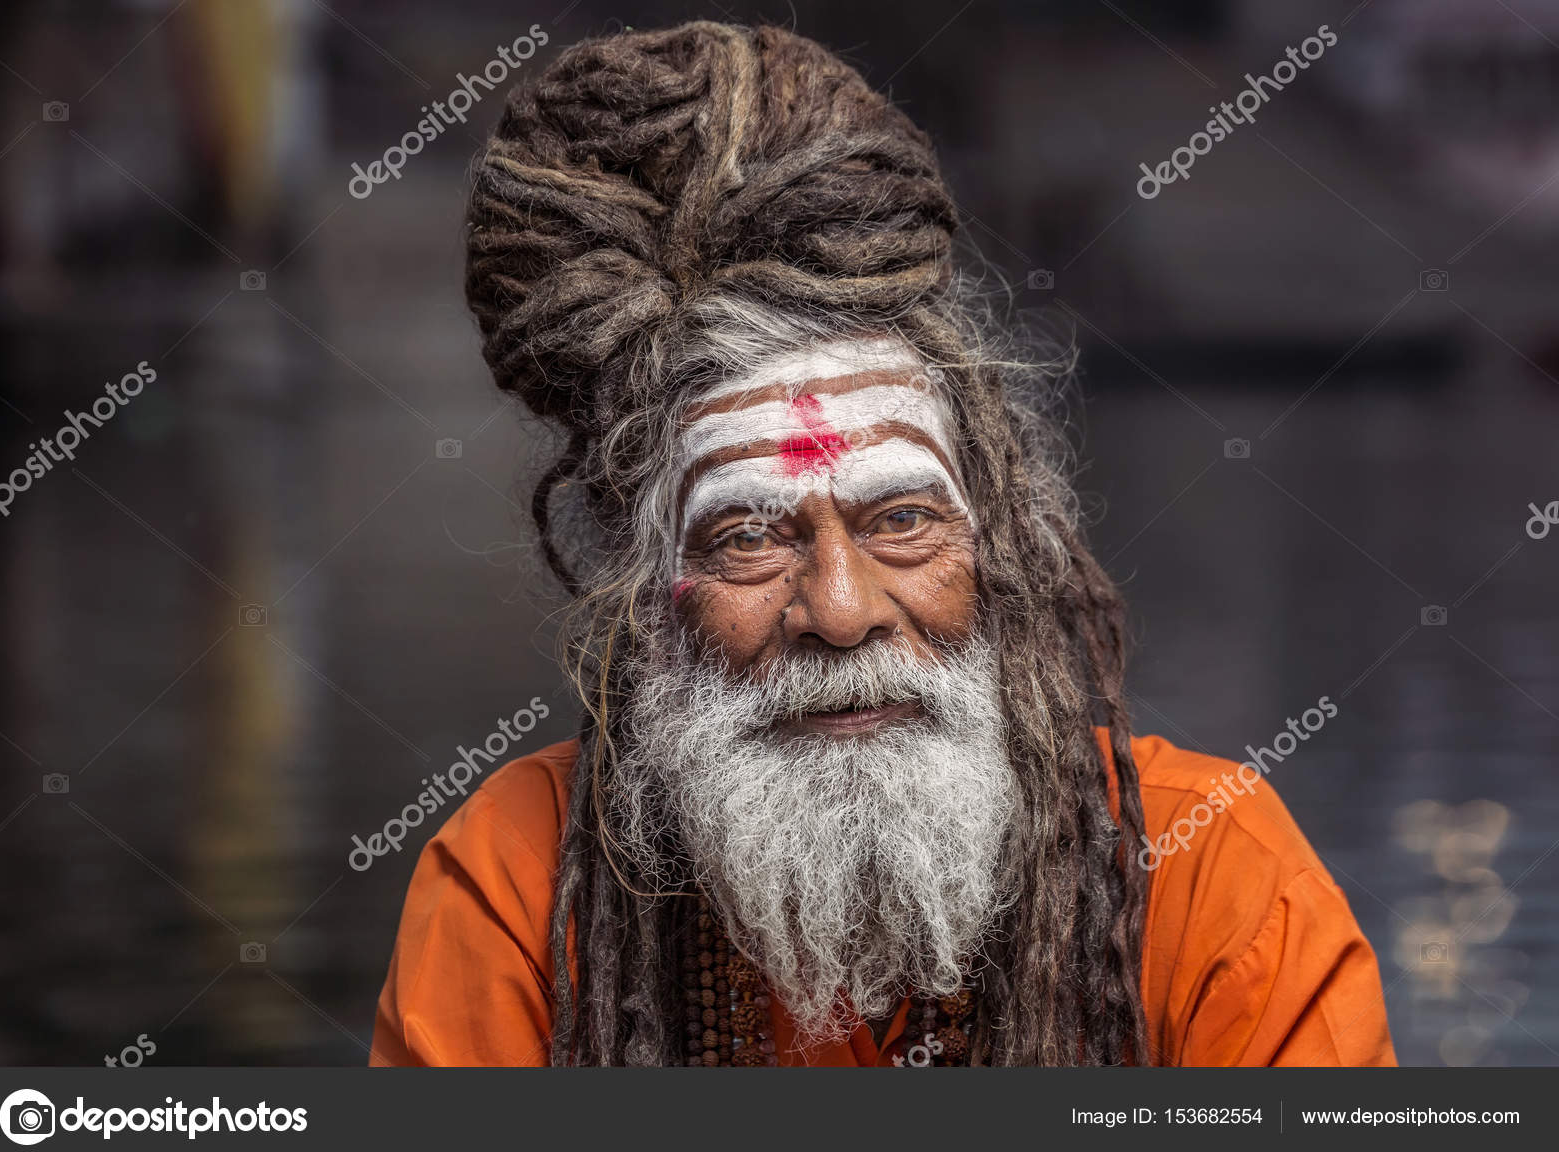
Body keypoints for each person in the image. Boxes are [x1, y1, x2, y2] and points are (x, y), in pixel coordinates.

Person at [369, 20, 1395, 1067]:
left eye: (901, 520)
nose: (845, 611)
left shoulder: (1210, 873)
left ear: (1000, 547)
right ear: (647, 592)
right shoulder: (515, 881)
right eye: (748, 538)